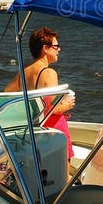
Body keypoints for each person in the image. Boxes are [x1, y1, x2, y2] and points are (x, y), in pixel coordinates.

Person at [6, 26, 75, 158]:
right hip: (52, 129)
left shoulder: (22, 73)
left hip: (33, 130)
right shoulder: (49, 73)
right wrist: (67, 104)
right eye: (56, 46)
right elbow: (53, 109)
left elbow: (7, 93)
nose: (59, 49)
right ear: (45, 48)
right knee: (61, 174)